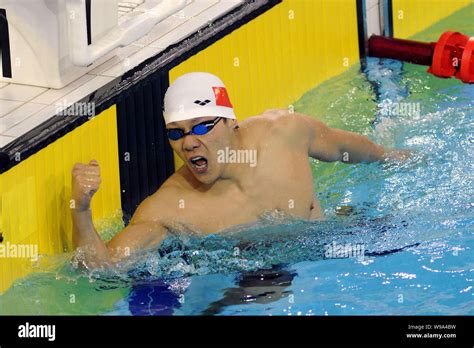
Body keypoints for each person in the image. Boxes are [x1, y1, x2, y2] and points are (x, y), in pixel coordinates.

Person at [72, 72, 410, 268]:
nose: (189, 143)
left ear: (230, 120)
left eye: (201, 127)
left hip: (336, 249)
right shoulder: (169, 207)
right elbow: (102, 268)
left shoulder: (283, 133)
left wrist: (389, 156)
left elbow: (341, 147)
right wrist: (81, 210)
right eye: (177, 132)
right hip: (256, 283)